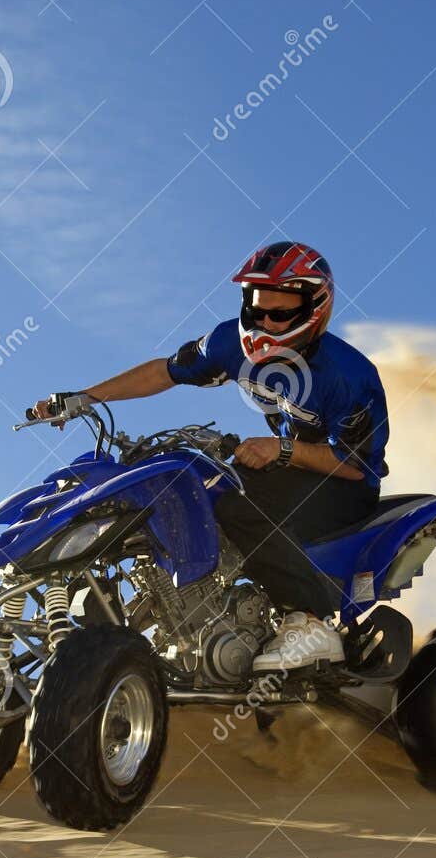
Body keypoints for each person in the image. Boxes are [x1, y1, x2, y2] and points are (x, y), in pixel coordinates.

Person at [29, 241, 389, 670]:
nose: (266, 320)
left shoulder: (350, 376)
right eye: (258, 309)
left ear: (315, 306)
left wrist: (282, 448)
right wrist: (86, 396)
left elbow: (357, 465)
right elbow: (165, 371)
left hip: (343, 485)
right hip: (287, 468)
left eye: (280, 312)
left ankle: (310, 622)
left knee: (238, 500)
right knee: (193, 489)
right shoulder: (227, 342)